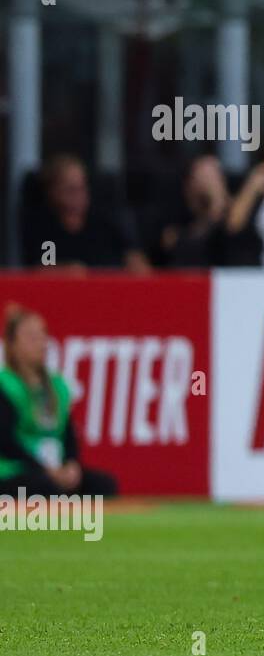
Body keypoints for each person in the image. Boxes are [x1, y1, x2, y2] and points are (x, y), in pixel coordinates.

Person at [0, 305, 117, 498]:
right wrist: (44, 470)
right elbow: (6, 442)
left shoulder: (57, 387)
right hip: (16, 471)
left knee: (103, 485)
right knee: (44, 488)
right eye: (32, 337)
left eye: (43, 335)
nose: (41, 343)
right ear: (12, 345)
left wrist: (71, 463)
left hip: (54, 470)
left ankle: (85, 526)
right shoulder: (6, 385)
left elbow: (68, 434)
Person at [21, 154, 150, 273]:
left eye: (82, 188)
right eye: (70, 190)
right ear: (52, 192)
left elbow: (135, 260)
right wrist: (65, 271)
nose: (79, 197)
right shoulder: (43, 227)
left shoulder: (105, 221)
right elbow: (38, 270)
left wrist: (135, 262)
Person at [158, 154, 231, 267]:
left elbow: (229, 235)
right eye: (203, 177)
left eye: (212, 177)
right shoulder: (177, 212)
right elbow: (174, 245)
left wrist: (218, 200)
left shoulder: (234, 211)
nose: (208, 183)